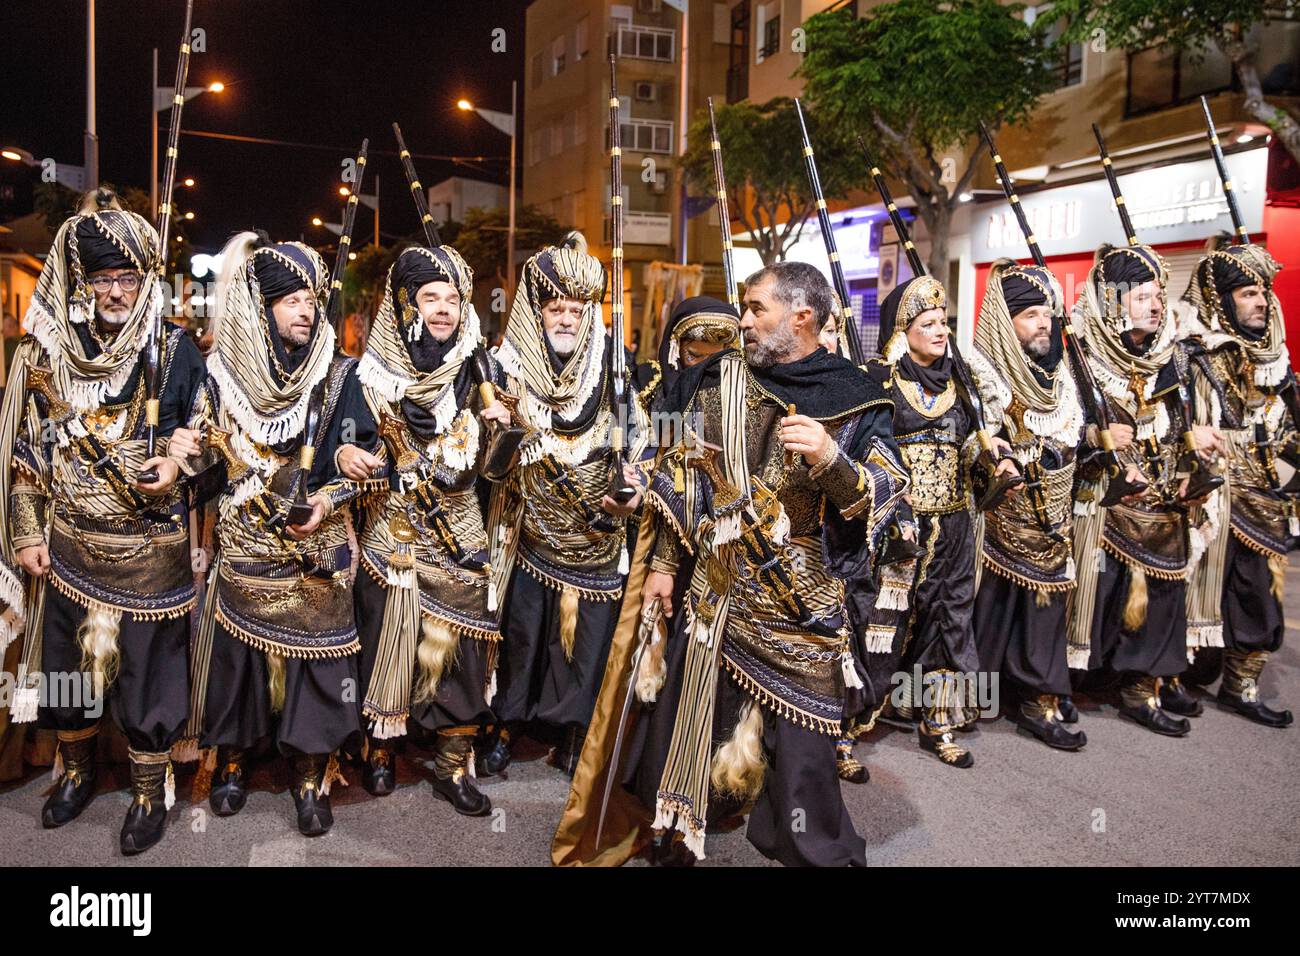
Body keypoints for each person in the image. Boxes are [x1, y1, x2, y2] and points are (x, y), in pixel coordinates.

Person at [554, 261, 907, 867]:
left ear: (802, 315)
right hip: (714, 578)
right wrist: (663, 564)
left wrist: (830, 459)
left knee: (803, 745)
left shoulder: (857, 395)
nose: (741, 321)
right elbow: (680, 477)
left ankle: (819, 852)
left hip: (798, 590)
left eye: (754, 309)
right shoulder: (722, 379)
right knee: (688, 721)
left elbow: (883, 499)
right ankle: (679, 829)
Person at [0, 189, 206, 854]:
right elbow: (29, 451)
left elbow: (207, 433)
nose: (116, 290)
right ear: (84, 281)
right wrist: (29, 531)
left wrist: (178, 462)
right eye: (103, 277)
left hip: (151, 551)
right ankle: (76, 774)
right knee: (66, 674)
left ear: (146, 280)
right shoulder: (49, 354)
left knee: (148, 680)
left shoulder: (175, 350)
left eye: (128, 276)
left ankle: (150, 792)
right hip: (68, 547)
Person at [172, 232, 375, 836]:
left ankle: (312, 773)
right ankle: (232, 759)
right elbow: (205, 470)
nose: (306, 311)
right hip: (244, 541)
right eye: (292, 301)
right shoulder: (218, 373)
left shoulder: (339, 375)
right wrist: (188, 453)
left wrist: (338, 476)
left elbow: (364, 449)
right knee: (235, 660)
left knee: (320, 662)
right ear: (263, 308)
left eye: (311, 300)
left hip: (317, 542)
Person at [345, 244, 511, 814]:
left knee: (465, 656)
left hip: (462, 534)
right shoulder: (368, 375)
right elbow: (344, 452)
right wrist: (350, 453)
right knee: (383, 645)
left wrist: (502, 431)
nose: (443, 309)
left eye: (453, 299)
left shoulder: (481, 373)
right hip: (392, 535)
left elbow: (501, 471)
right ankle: (382, 751)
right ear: (407, 304)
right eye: (430, 297)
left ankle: (450, 763)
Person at [489, 233, 648, 774]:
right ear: (537, 310)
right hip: (528, 529)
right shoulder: (504, 367)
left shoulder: (615, 368)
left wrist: (633, 479)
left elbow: (642, 441)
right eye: (556, 308)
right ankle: (507, 726)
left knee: (587, 646)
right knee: (523, 637)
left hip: (597, 529)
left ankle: (577, 733)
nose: (567, 319)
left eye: (578, 310)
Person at [847, 276, 1010, 771]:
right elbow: (869, 451)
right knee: (881, 625)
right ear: (903, 329)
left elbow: (969, 445)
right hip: (900, 528)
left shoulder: (964, 384)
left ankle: (936, 719)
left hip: (955, 526)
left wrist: (993, 459)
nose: (941, 331)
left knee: (949, 621)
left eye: (945, 322)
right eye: (928, 323)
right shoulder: (880, 380)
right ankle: (848, 729)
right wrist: (894, 512)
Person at [1067, 244, 1223, 736]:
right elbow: (1060, 428)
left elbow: (1176, 422)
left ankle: (1143, 685)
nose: (1157, 305)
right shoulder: (1081, 358)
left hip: (1160, 497)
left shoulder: (1170, 358)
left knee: (1163, 593)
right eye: (1142, 296)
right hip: (1102, 504)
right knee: (1103, 591)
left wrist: (1192, 440)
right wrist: (1097, 439)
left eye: (1160, 295)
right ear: (1113, 301)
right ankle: (1087, 678)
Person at [969, 260, 1115, 751]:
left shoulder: (1065, 376)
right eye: (1030, 314)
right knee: (988, 611)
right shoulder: (979, 371)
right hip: (993, 526)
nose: (1043, 323)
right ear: (1004, 321)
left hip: (1053, 522)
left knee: (1044, 609)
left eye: (1046, 314)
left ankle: (1038, 696)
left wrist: (1099, 440)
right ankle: (975, 694)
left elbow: (1076, 441)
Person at [1179, 241, 1295, 727]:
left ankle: (1240, 685)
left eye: (1264, 293)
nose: (1261, 303)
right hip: (1210, 497)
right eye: (1249, 293)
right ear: (1222, 298)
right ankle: (1174, 676)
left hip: (1265, 498)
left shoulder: (1275, 358)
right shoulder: (1191, 353)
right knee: (1194, 590)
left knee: (1258, 594)